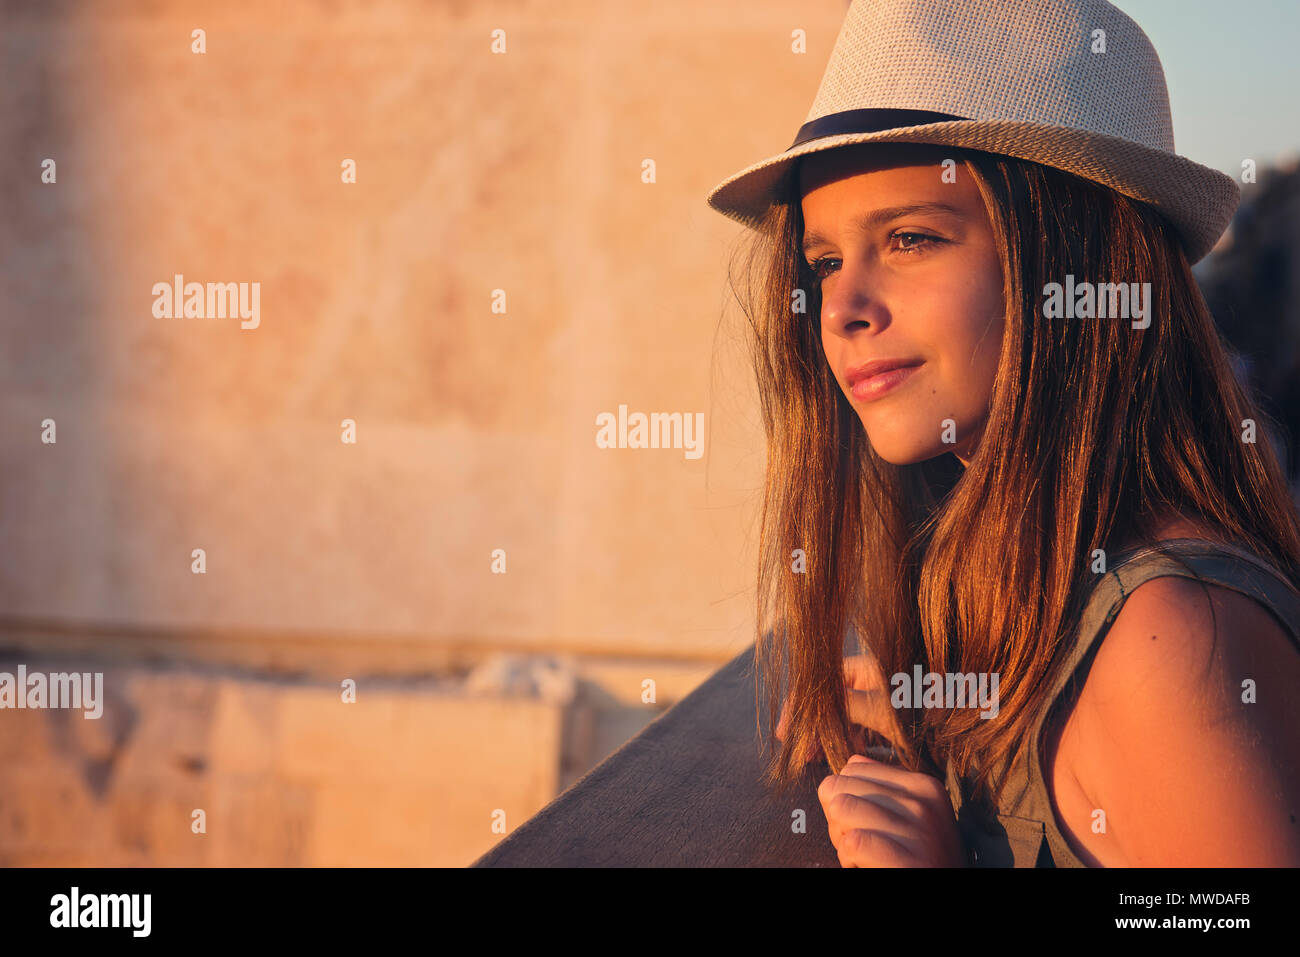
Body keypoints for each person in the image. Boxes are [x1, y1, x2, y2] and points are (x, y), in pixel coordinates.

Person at [706, 0, 1300, 866]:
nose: (841, 308)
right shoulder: (1023, 581)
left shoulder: (1168, 641)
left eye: (910, 239)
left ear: (1076, 260)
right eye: (825, 260)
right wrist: (953, 722)